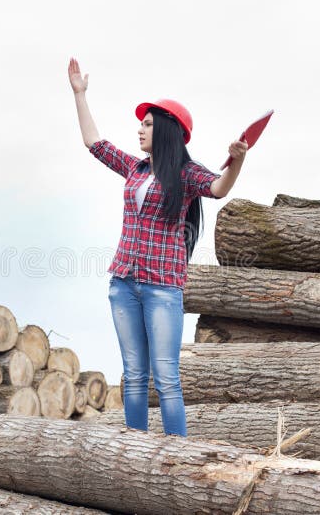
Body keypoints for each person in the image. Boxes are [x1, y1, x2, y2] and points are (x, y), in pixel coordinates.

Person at [67, 57, 247, 436]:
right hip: (124, 283)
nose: (140, 130)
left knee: (166, 377)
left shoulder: (186, 174)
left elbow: (218, 188)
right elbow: (94, 144)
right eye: (141, 123)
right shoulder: (135, 169)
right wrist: (80, 94)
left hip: (163, 287)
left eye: (148, 124)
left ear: (167, 131)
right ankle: (136, 453)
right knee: (133, 374)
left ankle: (176, 457)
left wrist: (238, 161)